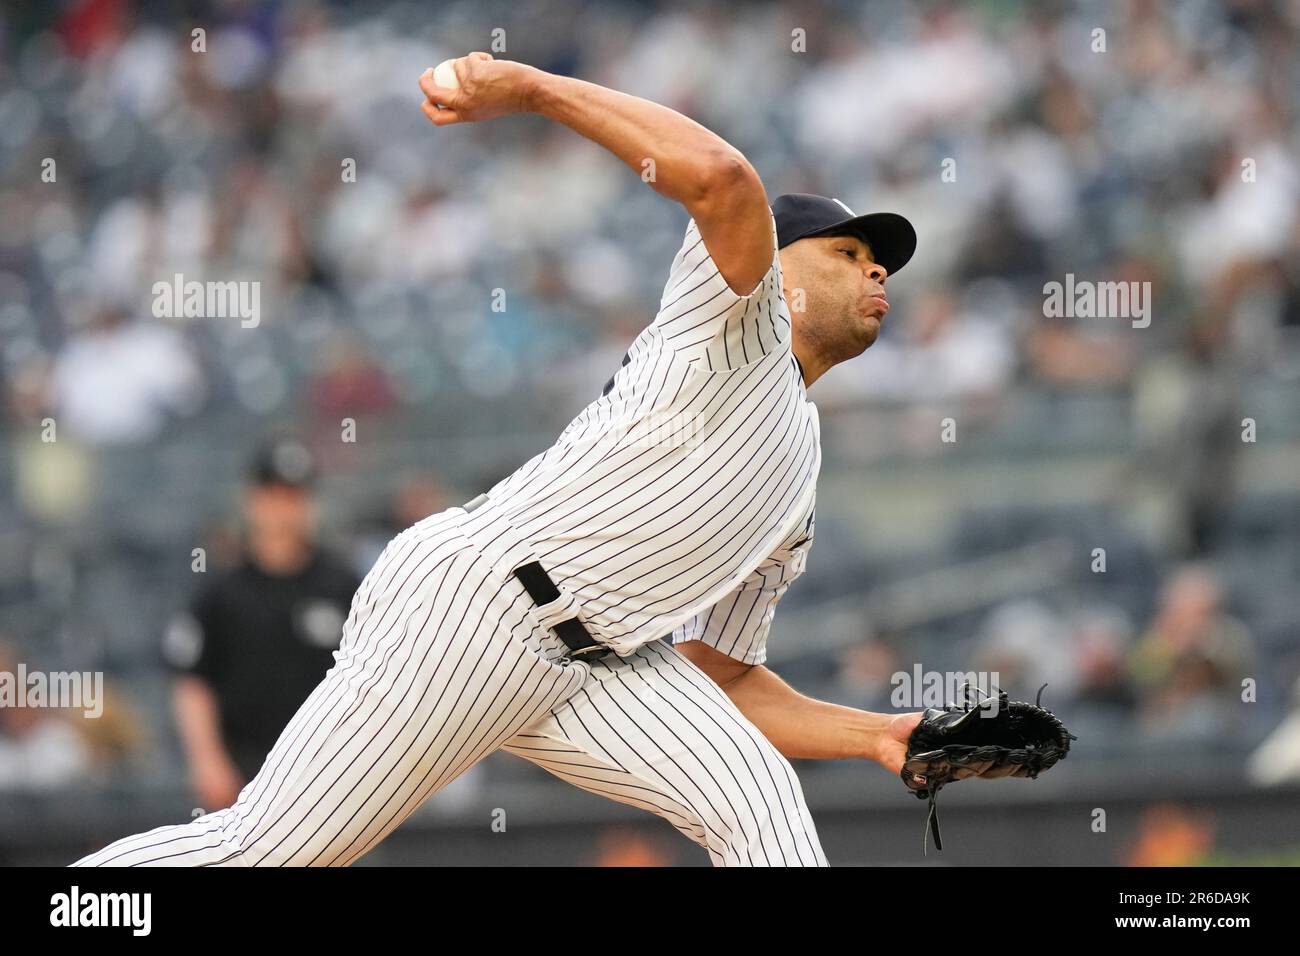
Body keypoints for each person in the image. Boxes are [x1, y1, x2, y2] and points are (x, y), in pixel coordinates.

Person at [76, 52, 924, 867]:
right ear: (780, 269)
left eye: (878, 260)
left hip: (603, 665)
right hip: (479, 606)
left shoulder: (797, 469)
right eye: (846, 252)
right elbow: (724, 181)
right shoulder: (742, 321)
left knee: (759, 801)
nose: (874, 267)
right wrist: (530, 89)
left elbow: (724, 680)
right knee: (269, 850)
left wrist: (877, 736)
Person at [161, 439, 361, 812]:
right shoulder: (221, 591)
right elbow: (192, 680)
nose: (282, 508)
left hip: (329, 772)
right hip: (244, 774)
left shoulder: (342, 584)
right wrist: (207, 760)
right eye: (273, 494)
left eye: (293, 496)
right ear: (252, 499)